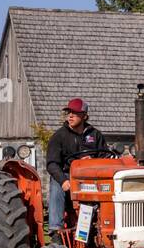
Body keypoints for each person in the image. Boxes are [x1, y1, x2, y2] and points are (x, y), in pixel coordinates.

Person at [45, 98, 110, 234]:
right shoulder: (59, 136)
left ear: (84, 116)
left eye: (74, 113)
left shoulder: (95, 134)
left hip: (92, 177)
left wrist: (92, 160)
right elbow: (52, 164)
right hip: (68, 175)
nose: (70, 116)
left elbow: (105, 157)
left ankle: (105, 225)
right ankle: (55, 228)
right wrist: (63, 181)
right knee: (56, 184)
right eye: (69, 112)